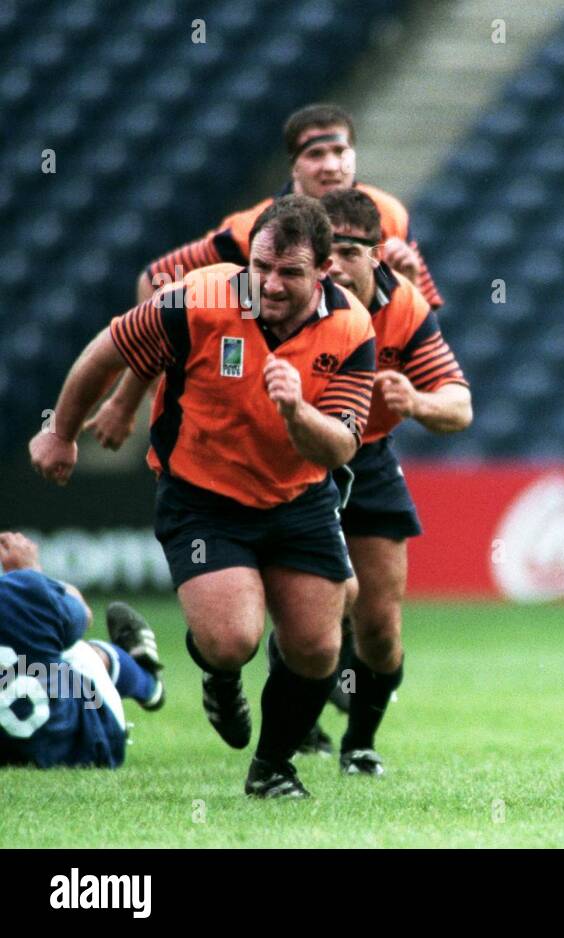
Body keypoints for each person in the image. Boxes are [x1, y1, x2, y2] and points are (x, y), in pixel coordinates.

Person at [29, 195, 377, 798]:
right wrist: (61, 432)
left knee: (319, 649)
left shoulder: (351, 327)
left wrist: (296, 410)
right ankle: (221, 674)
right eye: (261, 266)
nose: (269, 283)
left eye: (289, 273)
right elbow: (106, 351)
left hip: (299, 496)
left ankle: (272, 769)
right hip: (203, 497)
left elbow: (340, 447)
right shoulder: (197, 299)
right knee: (230, 640)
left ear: (323, 271)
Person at [87, 103, 441, 451]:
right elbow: (159, 283)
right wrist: (135, 395)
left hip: (346, 420)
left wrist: (406, 283)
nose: (332, 166)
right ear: (294, 166)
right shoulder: (252, 232)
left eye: (340, 151)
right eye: (316, 154)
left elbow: (420, 323)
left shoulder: (387, 216)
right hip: (258, 420)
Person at [307, 187, 471, 776]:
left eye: (349, 250)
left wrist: (418, 400)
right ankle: (291, 725)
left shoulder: (405, 307)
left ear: (379, 254)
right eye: (326, 250)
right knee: (318, 607)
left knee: (379, 628)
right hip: (299, 462)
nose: (335, 264)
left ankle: (360, 742)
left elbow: (460, 407)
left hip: (369, 460)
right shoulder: (296, 303)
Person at [0, 531, 164, 768]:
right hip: (84, 748)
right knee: (75, 651)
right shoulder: (23, 590)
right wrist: (31, 572)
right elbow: (83, 615)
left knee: (42, 653)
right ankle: (146, 681)